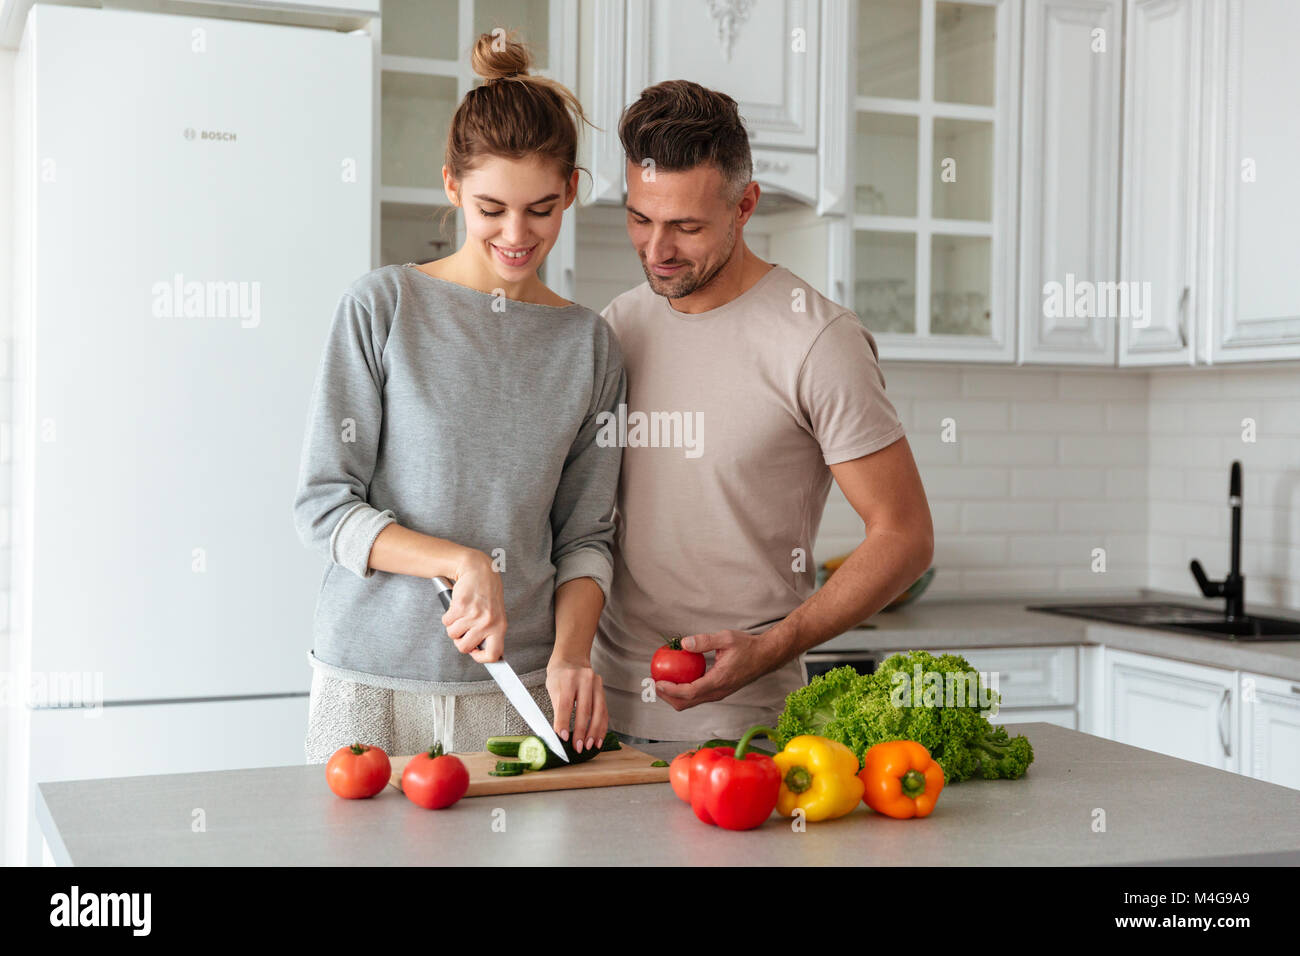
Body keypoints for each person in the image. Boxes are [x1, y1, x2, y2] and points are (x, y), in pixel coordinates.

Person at [293, 32, 623, 761]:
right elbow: (322, 506)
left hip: (517, 689)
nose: (516, 234)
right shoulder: (383, 306)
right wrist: (461, 562)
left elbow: (586, 540)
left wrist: (571, 655)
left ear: (571, 188)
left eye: (541, 208)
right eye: (490, 208)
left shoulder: (588, 346)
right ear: (451, 186)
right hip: (367, 682)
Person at [592, 80, 934, 743]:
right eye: (640, 217)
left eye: (686, 226)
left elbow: (905, 536)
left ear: (744, 205)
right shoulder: (618, 325)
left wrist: (774, 646)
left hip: (744, 731)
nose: (657, 249)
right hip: (599, 722)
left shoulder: (816, 340)